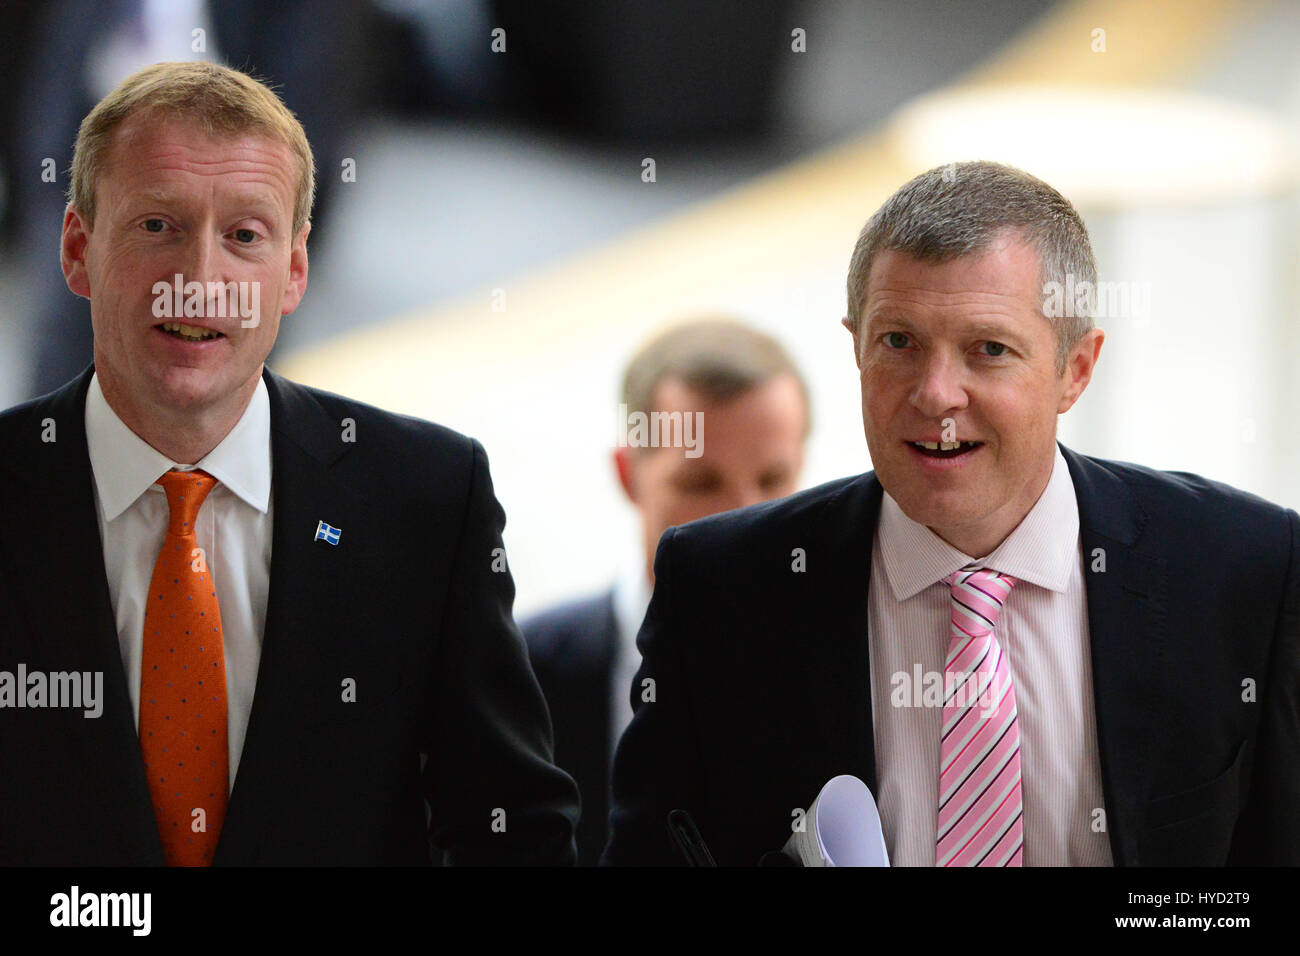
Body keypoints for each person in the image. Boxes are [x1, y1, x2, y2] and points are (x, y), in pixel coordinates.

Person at [604, 161, 1300, 866]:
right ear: (856, 348)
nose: (936, 395)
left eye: (988, 350)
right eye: (899, 343)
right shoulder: (722, 588)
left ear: (1076, 369)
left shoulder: (1243, 573)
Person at [0, 61, 578, 866]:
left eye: (244, 237)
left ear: (295, 271)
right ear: (76, 249)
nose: (201, 282)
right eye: (157, 226)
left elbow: (512, 826)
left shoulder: (427, 499)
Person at [523, 318, 810, 864]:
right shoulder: (524, 674)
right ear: (627, 474)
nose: (744, 517)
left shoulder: (855, 655)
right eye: (701, 484)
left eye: (773, 479)